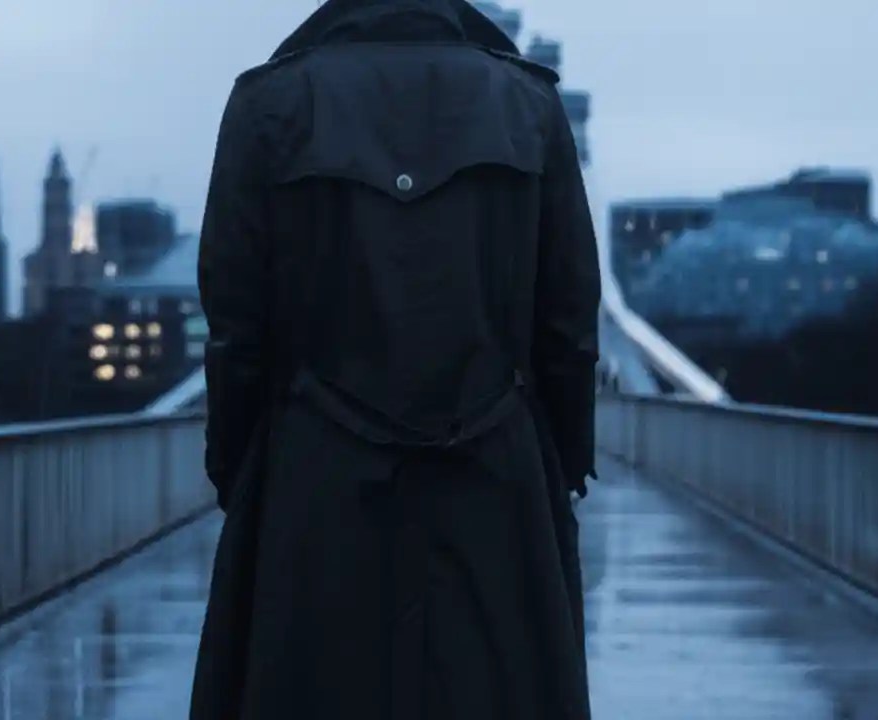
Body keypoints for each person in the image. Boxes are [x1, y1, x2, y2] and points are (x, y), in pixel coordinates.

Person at [190, 1, 599, 718]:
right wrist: (554, 473)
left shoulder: (268, 103)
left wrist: (247, 474)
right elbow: (567, 323)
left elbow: (236, 330)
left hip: (315, 479)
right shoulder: (529, 104)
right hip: (495, 483)